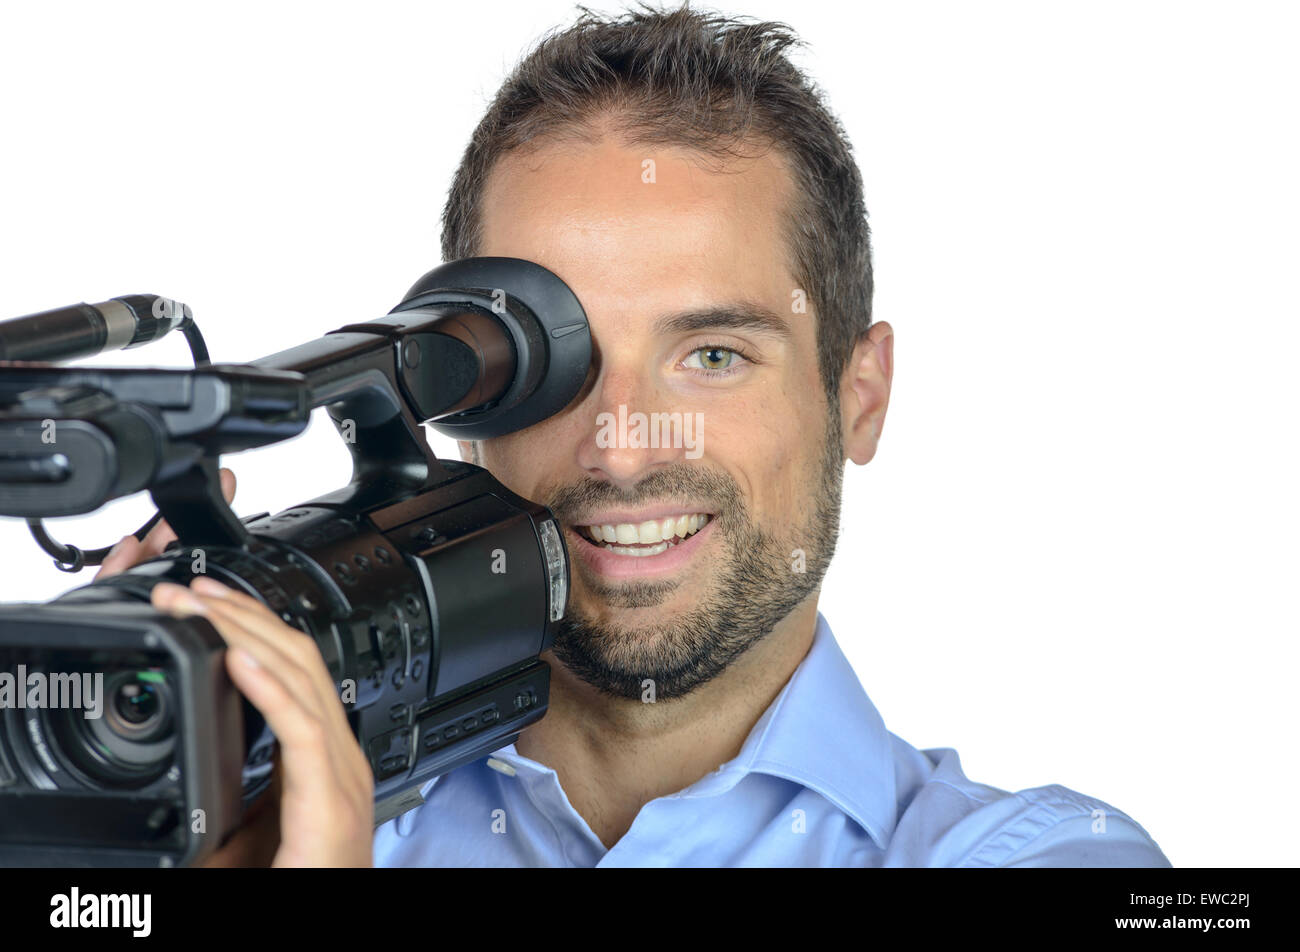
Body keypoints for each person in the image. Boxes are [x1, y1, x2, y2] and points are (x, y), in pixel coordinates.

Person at [100, 5, 1170, 867]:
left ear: (859, 395)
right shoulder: (253, 834)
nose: (618, 449)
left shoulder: (1051, 857)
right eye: (549, 366)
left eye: (711, 355)